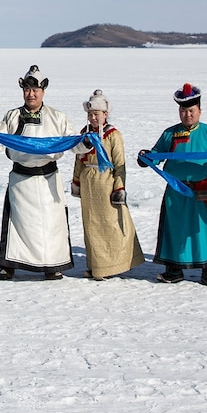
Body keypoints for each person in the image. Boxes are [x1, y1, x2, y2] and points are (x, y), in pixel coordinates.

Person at [0, 65, 77, 280]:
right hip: (21, 180)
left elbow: (74, 143)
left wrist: (86, 141)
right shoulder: (12, 116)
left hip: (49, 180)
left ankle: (53, 265)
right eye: (27, 90)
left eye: (35, 90)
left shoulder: (57, 117)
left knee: (52, 225)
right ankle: (10, 264)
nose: (31, 94)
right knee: (18, 225)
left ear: (43, 92)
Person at [147, 83, 207, 288]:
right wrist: (146, 157)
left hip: (204, 188)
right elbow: (156, 155)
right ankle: (174, 270)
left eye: (191, 110)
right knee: (175, 228)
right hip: (177, 189)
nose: (187, 115)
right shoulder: (170, 134)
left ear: (199, 111)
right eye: (183, 111)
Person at [70, 90, 144, 280]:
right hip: (88, 183)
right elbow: (79, 160)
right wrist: (77, 181)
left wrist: (119, 188)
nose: (93, 118)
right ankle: (96, 265)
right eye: (90, 114)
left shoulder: (113, 135)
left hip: (106, 183)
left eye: (97, 114)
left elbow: (120, 164)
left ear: (105, 114)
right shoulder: (84, 134)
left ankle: (113, 264)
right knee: (91, 226)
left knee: (110, 224)